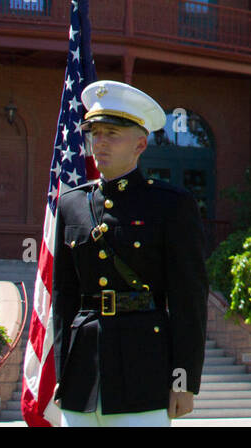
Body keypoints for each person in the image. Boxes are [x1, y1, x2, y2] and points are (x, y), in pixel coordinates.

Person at [51, 80, 208, 426]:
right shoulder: (72, 204)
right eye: (95, 133)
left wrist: (183, 381)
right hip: (83, 372)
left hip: (144, 369)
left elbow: (188, 300)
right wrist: (63, 370)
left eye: (112, 134)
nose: (100, 143)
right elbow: (64, 299)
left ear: (140, 144)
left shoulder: (171, 205)